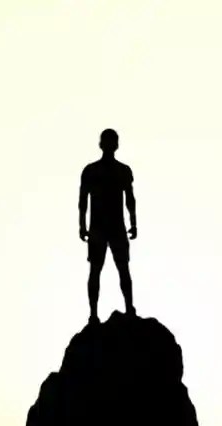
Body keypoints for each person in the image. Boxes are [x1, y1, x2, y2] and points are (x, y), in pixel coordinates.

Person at [78, 128, 137, 323]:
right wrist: (82, 224)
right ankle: (98, 313)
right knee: (107, 270)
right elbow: (83, 201)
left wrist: (82, 225)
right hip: (105, 228)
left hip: (107, 228)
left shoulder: (112, 171)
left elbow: (130, 199)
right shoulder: (108, 171)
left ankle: (115, 310)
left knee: (113, 269)